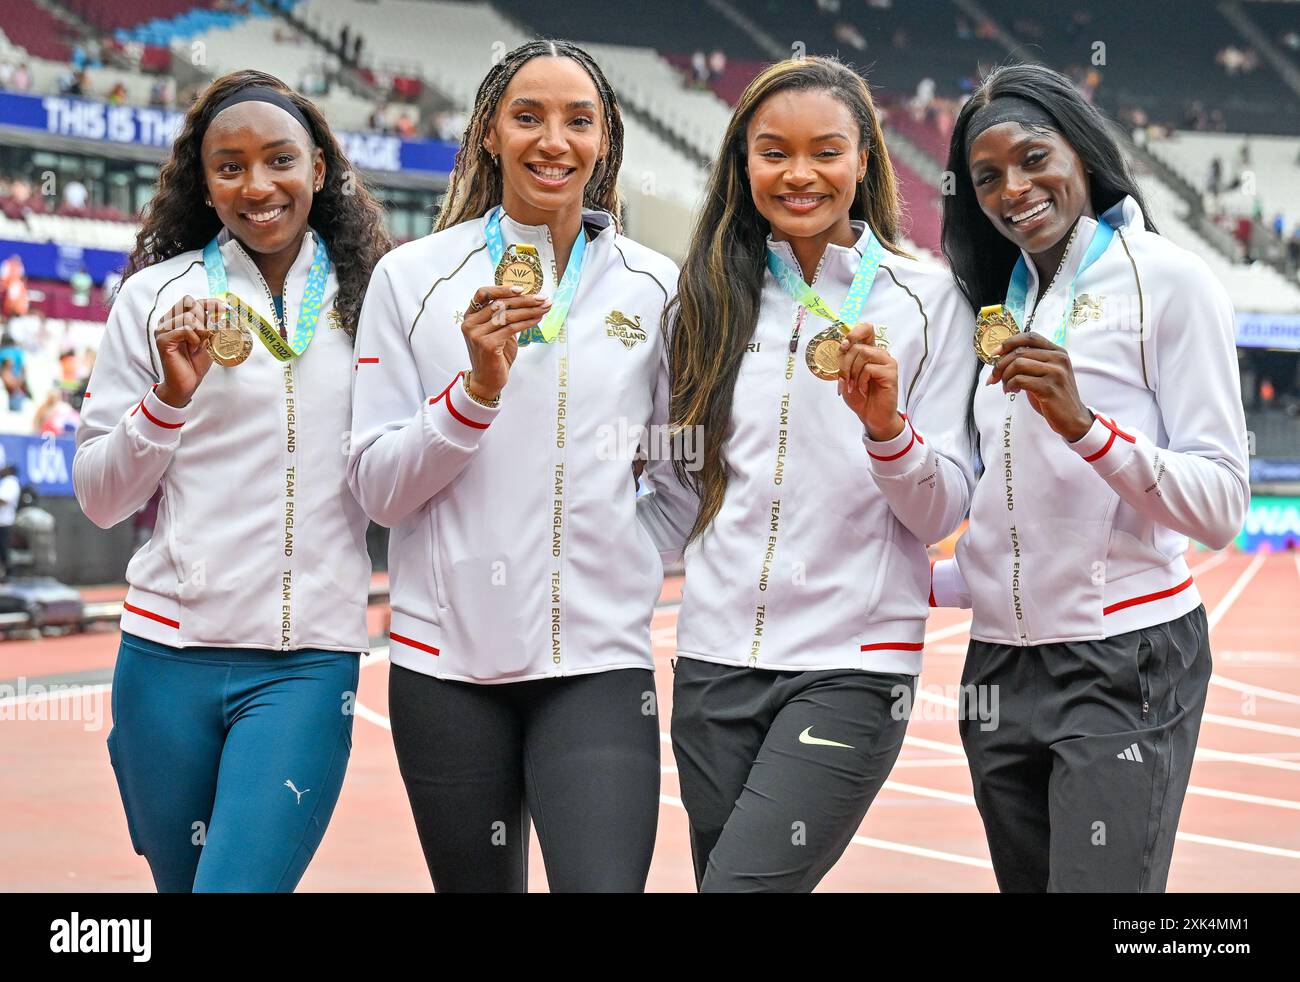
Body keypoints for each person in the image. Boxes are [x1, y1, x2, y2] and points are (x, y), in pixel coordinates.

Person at [637, 56, 975, 892]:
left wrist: (888, 431)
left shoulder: (930, 301)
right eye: (772, 152)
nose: (798, 174)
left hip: (852, 665)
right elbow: (677, 488)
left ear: (865, 160)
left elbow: (942, 511)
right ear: (742, 163)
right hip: (713, 662)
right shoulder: (705, 298)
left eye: (825, 150)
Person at [349, 39, 677, 893]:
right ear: (490, 134)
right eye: (527, 116)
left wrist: (631, 556)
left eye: (579, 120)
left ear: (605, 141)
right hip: (446, 666)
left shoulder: (655, 287)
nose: (553, 140)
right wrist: (473, 396)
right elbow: (378, 488)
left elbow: (683, 464)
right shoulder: (412, 279)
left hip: (598, 664)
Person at [74, 69, 390, 892]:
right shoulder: (154, 298)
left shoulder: (376, 300)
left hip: (305, 664)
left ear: (319, 168)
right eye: (230, 166)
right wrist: (167, 400)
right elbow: (101, 496)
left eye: (280, 160)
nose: (258, 187)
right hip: (165, 659)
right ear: (203, 181)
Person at [935, 63, 1249, 892]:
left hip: (1126, 659)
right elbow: (1002, 523)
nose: (1015, 189)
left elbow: (1220, 506)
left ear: (1080, 149)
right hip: (997, 668)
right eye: (988, 177)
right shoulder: (992, 303)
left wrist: (1087, 428)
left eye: (1035, 158)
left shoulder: (1170, 281)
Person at [0, 464, 19, 579]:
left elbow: (3, 500)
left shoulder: (11, 482)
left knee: (4, 552)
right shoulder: (4, 482)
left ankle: (8, 577)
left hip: (5, 522)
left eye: (5, 468)